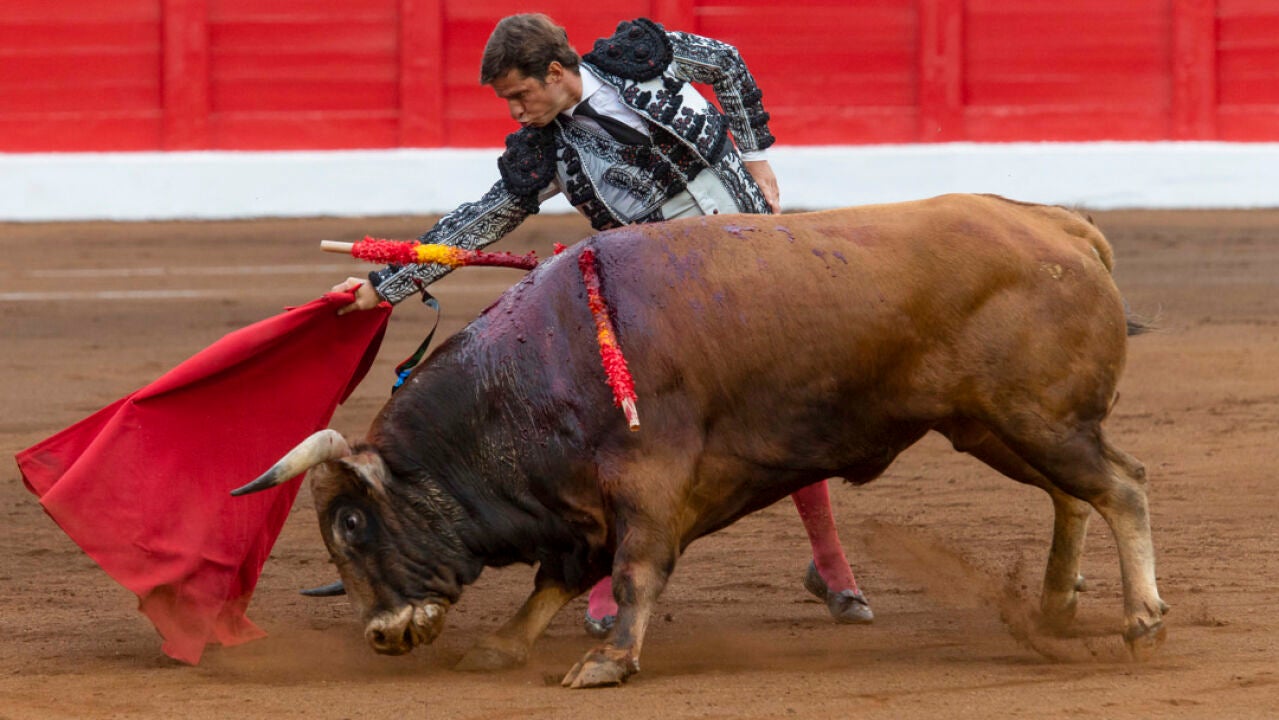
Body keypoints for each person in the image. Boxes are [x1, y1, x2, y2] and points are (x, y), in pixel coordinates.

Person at [331, 13, 872, 636]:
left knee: (797, 404)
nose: (514, 112)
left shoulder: (641, 58)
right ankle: (603, 590)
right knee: (626, 433)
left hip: (758, 255)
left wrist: (757, 156)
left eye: (519, 95)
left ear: (556, 72)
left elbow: (725, 61)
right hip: (667, 304)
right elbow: (479, 221)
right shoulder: (546, 151)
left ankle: (830, 565)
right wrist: (384, 283)